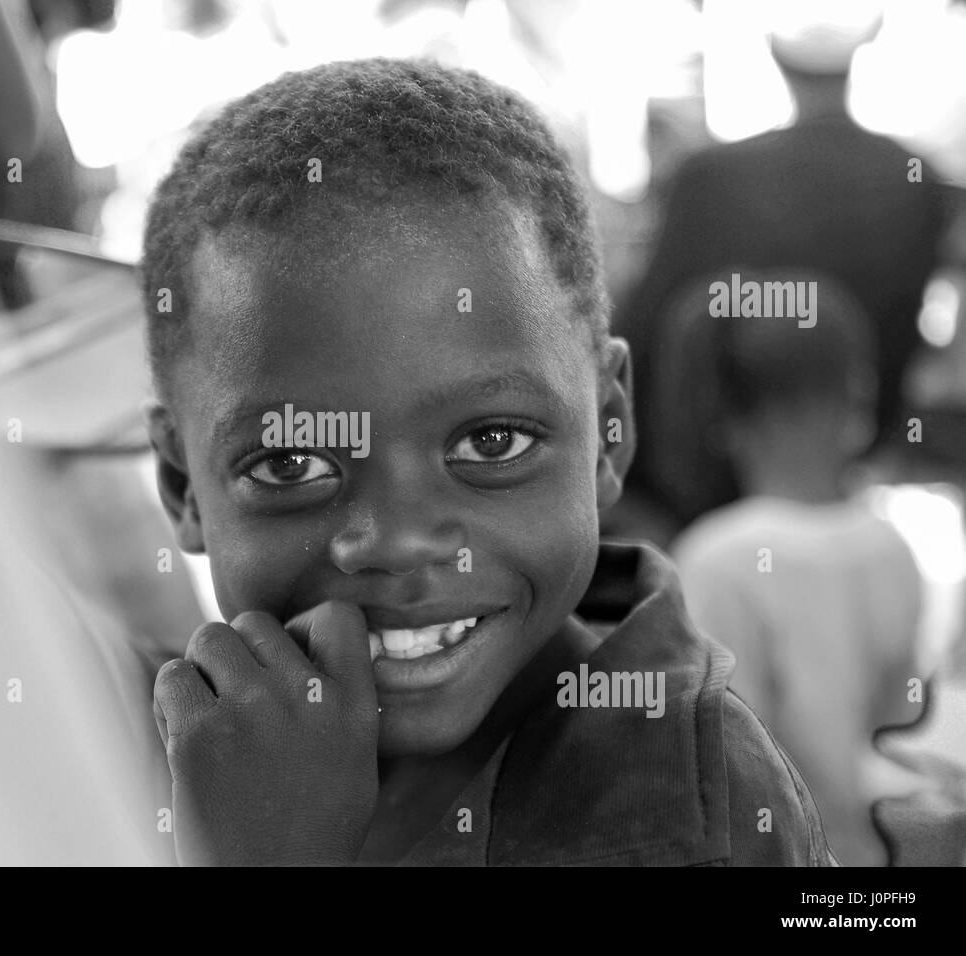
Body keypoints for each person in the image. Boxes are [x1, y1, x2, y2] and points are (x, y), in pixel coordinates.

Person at [138, 58, 833, 866]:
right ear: (183, 485)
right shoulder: (200, 744)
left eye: (491, 443)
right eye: (291, 463)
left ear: (608, 428)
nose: (395, 541)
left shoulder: (679, 825)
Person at [616, 18, 950, 535]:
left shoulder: (712, 175)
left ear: (777, 61)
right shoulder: (915, 177)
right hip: (851, 469)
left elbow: (643, 334)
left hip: (711, 481)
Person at [669, 273, 923, 866]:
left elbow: (716, 772)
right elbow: (901, 731)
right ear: (858, 393)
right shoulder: (892, 545)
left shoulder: (715, 560)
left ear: (723, 412)